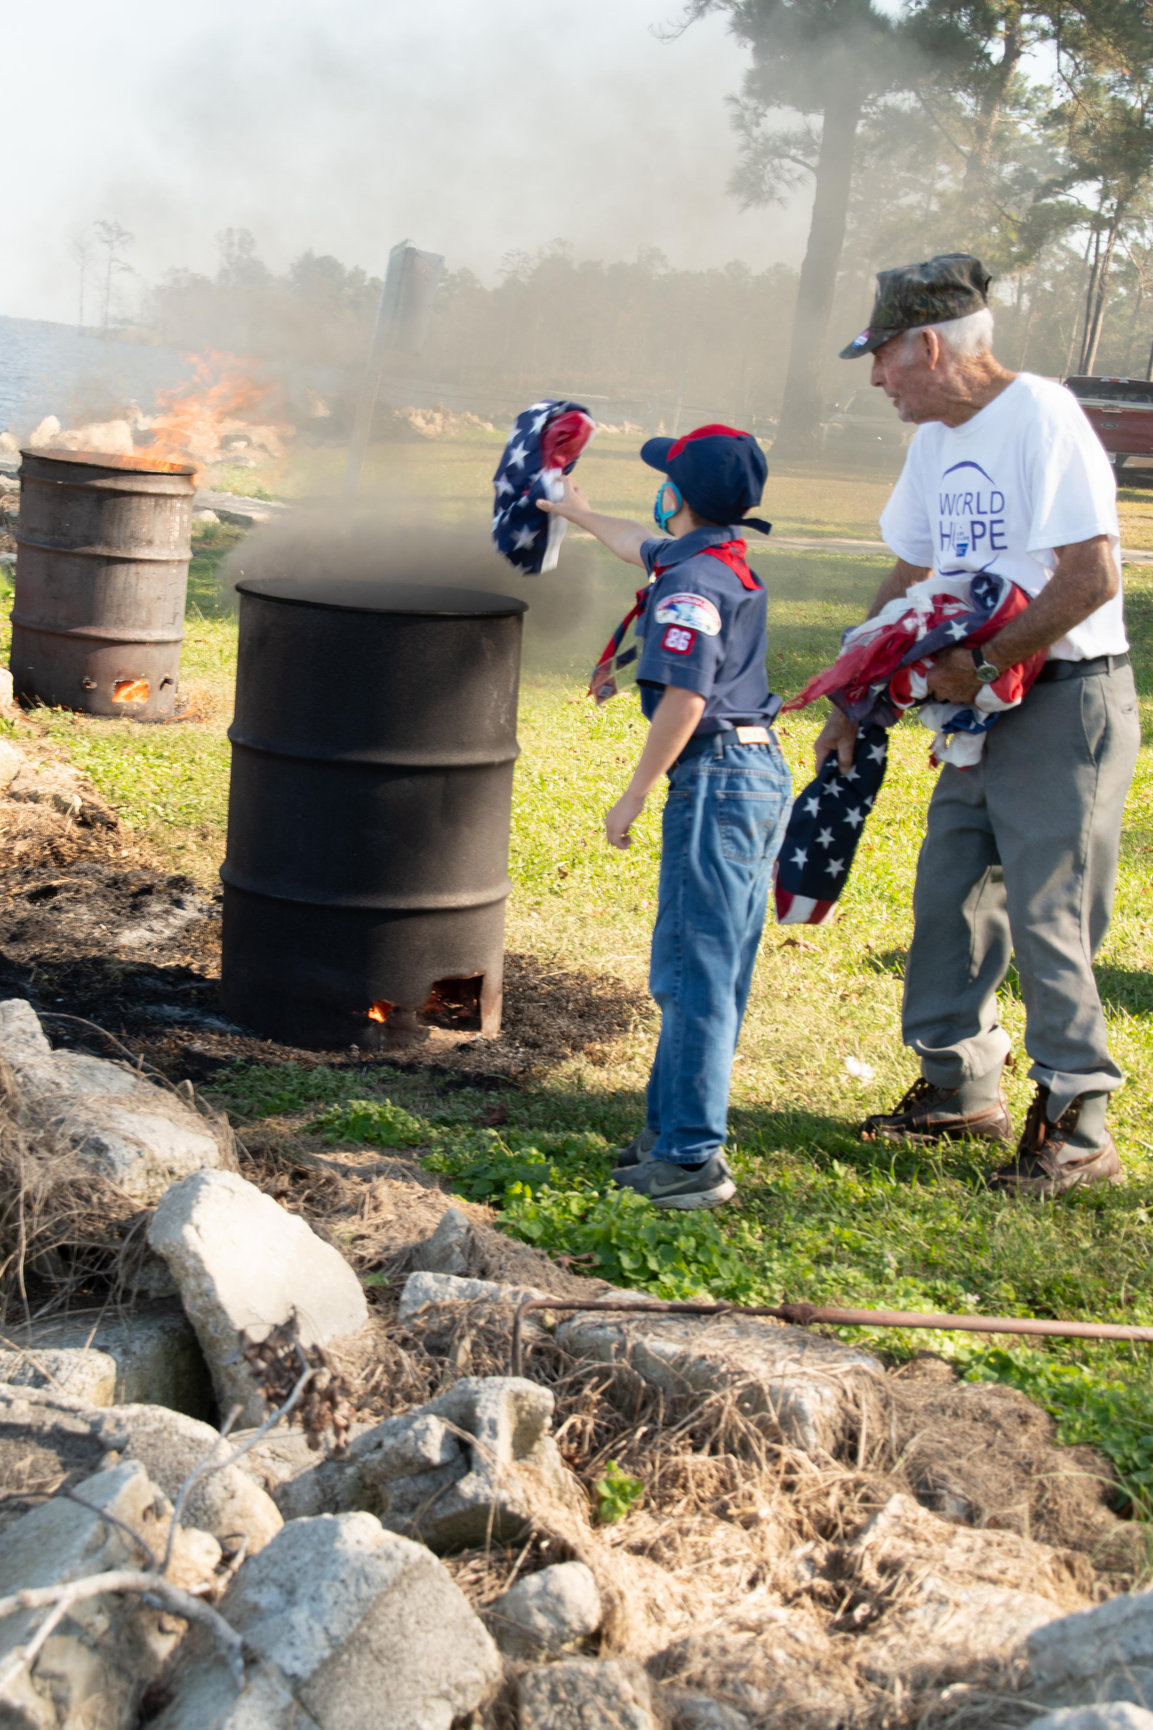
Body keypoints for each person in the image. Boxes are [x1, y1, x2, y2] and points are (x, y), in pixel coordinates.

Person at [820, 253, 1139, 1196]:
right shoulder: (933, 445)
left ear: (926, 345)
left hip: (1062, 698)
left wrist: (985, 667)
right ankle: (960, 1087)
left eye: (881, 357)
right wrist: (854, 690)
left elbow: (1091, 577)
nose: (875, 378)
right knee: (950, 896)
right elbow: (911, 575)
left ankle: (1079, 1124)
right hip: (980, 709)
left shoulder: (1038, 416)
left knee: (1048, 912)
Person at [539, 426, 791, 1208]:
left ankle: (690, 1161)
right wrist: (574, 510)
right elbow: (634, 543)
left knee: (693, 972)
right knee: (706, 970)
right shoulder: (702, 556)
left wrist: (636, 791)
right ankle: (667, 1133)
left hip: (715, 778)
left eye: (664, 480)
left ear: (677, 494)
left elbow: (684, 697)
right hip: (749, 773)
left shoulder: (691, 590)